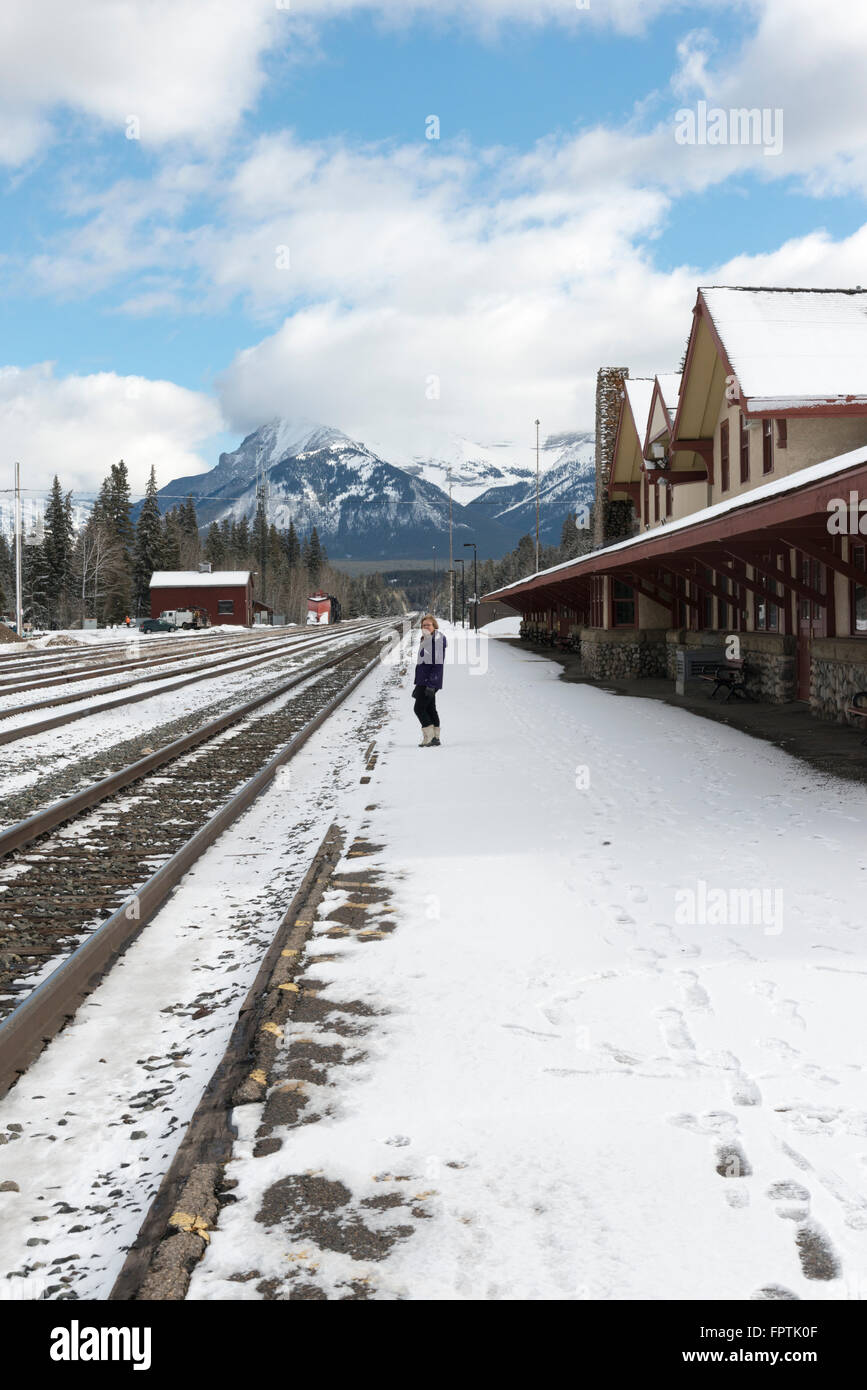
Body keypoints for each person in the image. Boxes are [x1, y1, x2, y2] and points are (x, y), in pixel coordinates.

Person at [412, 614, 446, 747]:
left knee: (419, 708)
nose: (426, 627)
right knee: (430, 708)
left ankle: (430, 737)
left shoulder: (436, 640)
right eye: (424, 625)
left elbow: (438, 665)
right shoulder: (427, 639)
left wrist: (431, 684)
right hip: (424, 680)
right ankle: (435, 738)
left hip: (429, 681)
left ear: (434, 626)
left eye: (428, 625)